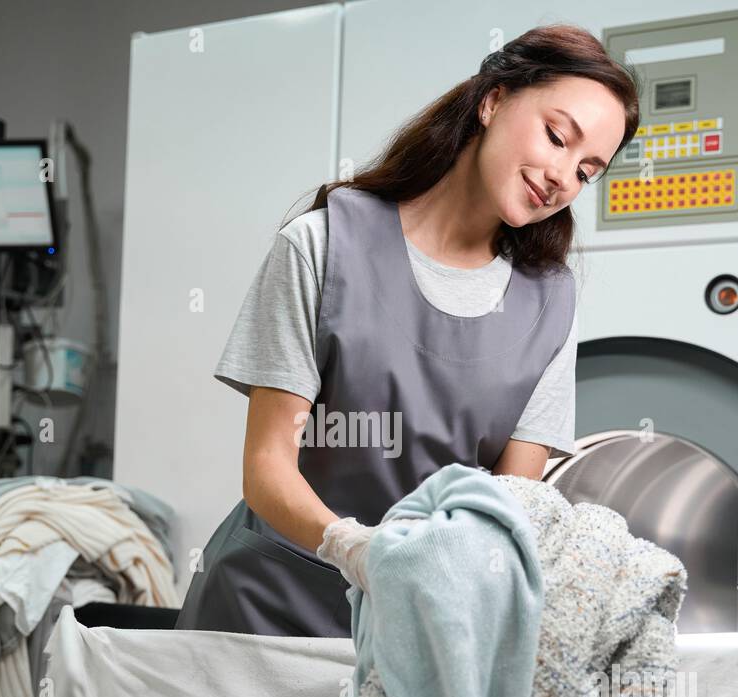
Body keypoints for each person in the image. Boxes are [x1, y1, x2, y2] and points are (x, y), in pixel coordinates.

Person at [175, 24, 639, 638]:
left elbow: (504, 504)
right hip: (267, 607)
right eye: (556, 137)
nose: (561, 177)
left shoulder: (549, 303)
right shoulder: (323, 245)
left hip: (419, 620)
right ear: (492, 100)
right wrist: (354, 550)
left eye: (587, 171)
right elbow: (267, 468)